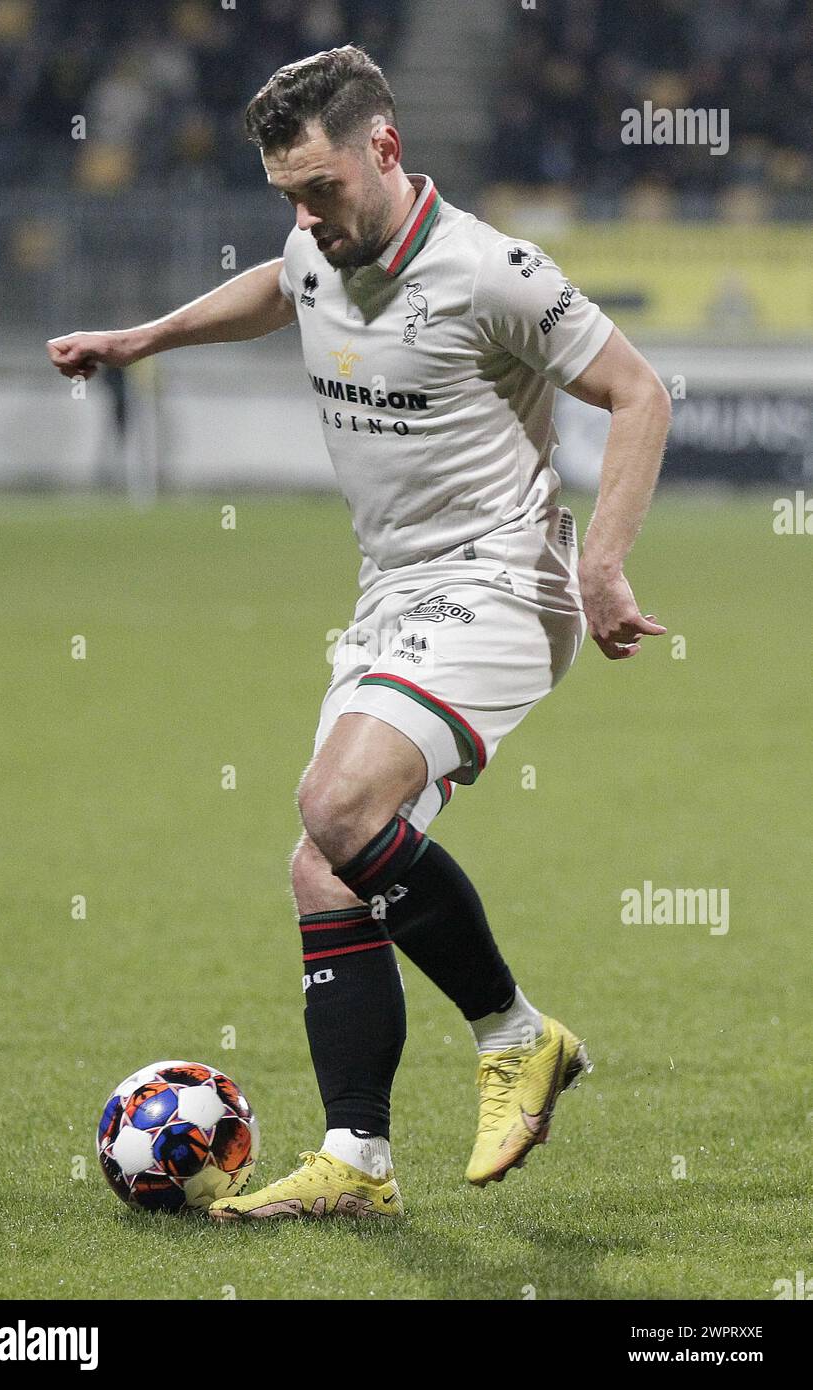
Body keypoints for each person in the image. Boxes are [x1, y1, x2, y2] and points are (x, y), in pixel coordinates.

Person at [47, 45, 671, 1222]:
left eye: (320, 188)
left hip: (500, 584)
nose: (303, 216)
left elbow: (639, 392)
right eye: (285, 192)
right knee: (323, 869)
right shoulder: (316, 241)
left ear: (383, 149)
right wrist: (140, 340)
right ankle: (357, 1160)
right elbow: (278, 287)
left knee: (333, 805)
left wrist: (602, 561)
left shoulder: (492, 272)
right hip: (392, 590)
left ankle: (516, 1035)